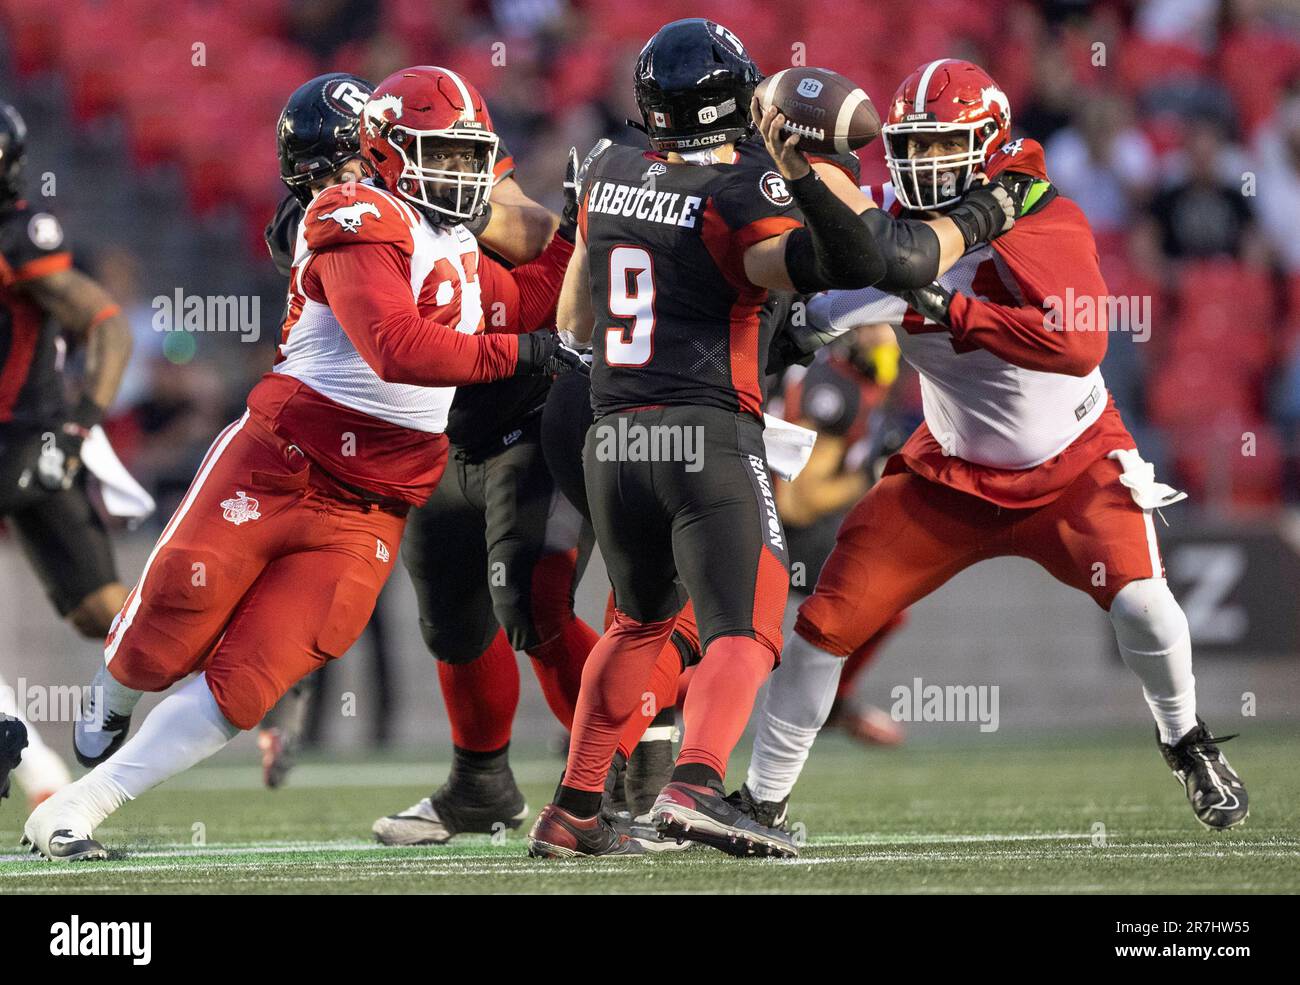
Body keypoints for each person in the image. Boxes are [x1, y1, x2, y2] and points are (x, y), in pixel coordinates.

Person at [22, 65, 583, 861]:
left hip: (372, 505)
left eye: (467, 158)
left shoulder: (452, 236)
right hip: (280, 463)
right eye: (443, 156)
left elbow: (526, 300)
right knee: (171, 619)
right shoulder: (351, 211)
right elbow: (398, 349)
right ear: (384, 152)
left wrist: (579, 235)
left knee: (250, 681)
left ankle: (77, 808)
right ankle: (113, 691)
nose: (462, 176)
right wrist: (535, 351)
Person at [526, 22, 1017, 860]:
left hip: (610, 439)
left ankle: (574, 807)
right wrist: (813, 178)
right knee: (746, 632)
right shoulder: (744, 189)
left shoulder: (605, 169)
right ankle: (697, 785)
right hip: (705, 433)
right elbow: (858, 260)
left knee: (635, 625)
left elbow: (573, 320)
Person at [742, 59, 1249, 832]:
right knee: (822, 629)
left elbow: (1077, 343)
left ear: (986, 144)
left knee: (1146, 606)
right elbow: (813, 311)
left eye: (941, 146)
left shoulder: (1046, 221)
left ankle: (1186, 739)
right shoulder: (885, 224)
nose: (920, 165)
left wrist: (951, 309)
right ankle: (761, 801)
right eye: (909, 147)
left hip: (1075, 465)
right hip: (948, 474)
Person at [0, 102, 134, 645]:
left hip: (28, 436)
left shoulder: (20, 233)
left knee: (106, 616)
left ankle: (244, 654)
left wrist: (78, 428)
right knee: (99, 614)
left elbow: (108, 327)